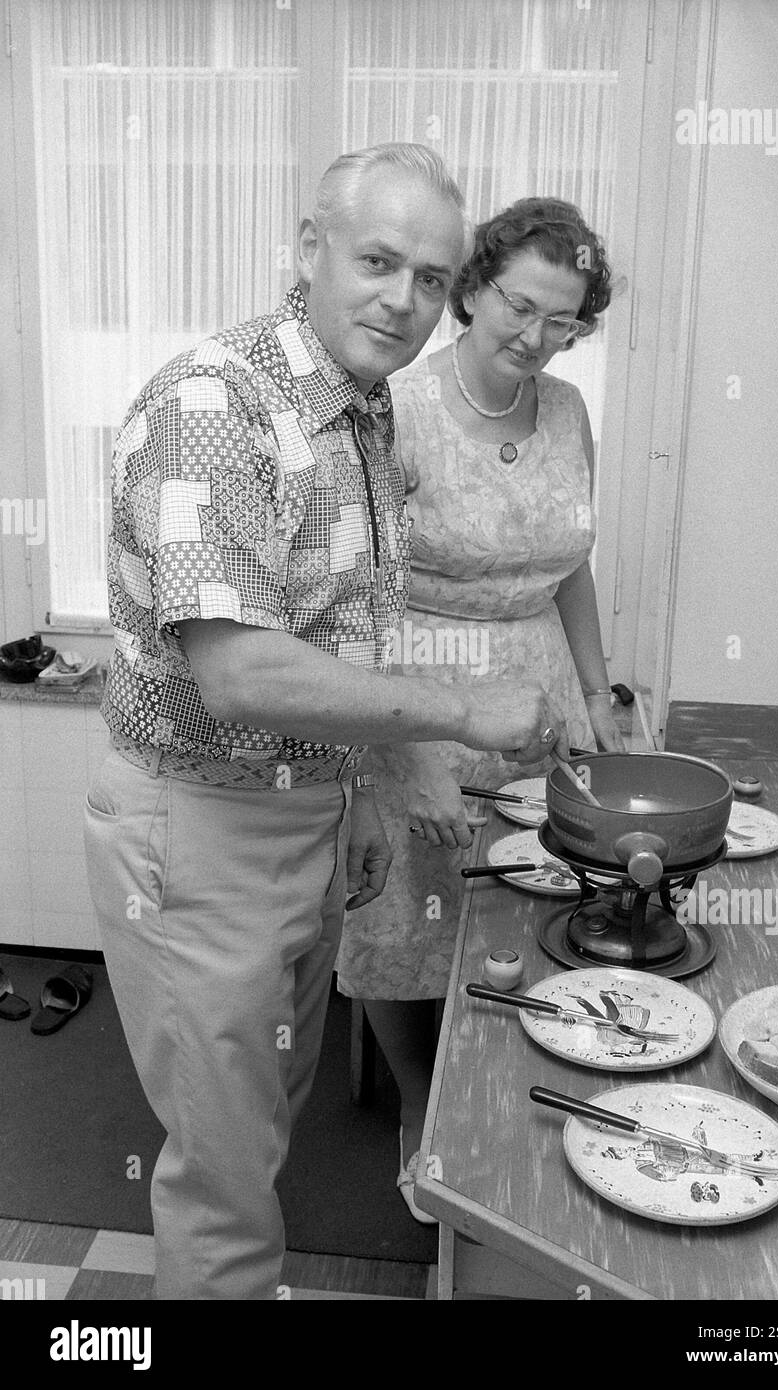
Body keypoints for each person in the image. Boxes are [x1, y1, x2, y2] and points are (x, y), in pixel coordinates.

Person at [83, 146, 571, 1301]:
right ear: (309, 251)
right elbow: (244, 673)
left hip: (303, 807)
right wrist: (462, 714)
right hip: (197, 823)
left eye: (431, 277)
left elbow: (339, 625)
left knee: (268, 1110)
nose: (404, 299)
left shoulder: (363, 411)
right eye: (377, 261)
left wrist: (362, 786)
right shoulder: (216, 401)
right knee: (225, 1161)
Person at [336, 196, 624, 1221]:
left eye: (567, 321)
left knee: (532, 908)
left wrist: (597, 694)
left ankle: (512, 1095)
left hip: (539, 699)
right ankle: (427, 1110)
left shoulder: (570, 412)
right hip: (422, 691)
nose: (538, 338)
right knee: (402, 920)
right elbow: (352, 598)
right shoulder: (395, 409)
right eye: (522, 307)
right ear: (473, 286)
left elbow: (574, 565)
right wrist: (401, 747)